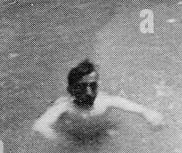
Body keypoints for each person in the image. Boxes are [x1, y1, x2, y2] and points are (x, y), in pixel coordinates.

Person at [33, 59, 162, 142]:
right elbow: (39, 126)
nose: (89, 92)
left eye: (93, 86)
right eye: (82, 87)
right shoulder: (65, 107)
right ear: (71, 90)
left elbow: (140, 109)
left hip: (102, 135)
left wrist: (151, 116)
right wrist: (65, 141)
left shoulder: (105, 101)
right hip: (74, 139)